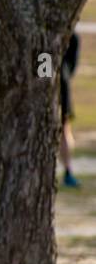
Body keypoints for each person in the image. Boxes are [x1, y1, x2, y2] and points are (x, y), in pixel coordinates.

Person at [61, 33, 81, 188]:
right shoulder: (73, 37)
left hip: (56, 88)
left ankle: (67, 171)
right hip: (63, 85)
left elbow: (43, 73)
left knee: (63, 130)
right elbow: (72, 68)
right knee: (64, 130)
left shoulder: (46, 37)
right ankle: (68, 172)